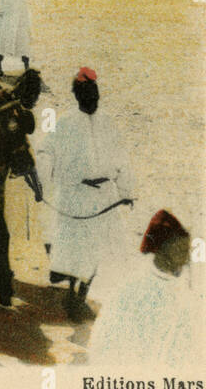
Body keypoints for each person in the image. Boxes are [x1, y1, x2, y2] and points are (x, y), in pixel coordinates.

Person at [35, 67, 135, 321]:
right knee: (75, 250)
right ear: (78, 96)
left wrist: (125, 190)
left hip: (103, 196)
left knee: (96, 248)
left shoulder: (108, 123)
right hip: (75, 196)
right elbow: (46, 151)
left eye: (95, 94)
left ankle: (81, 294)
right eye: (87, 94)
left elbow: (122, 158)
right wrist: (43, 178)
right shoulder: (65, 122)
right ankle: (72, 293)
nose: (93, 99)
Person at [88, 210, 195, 366]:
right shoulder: (134, 287)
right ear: (164, 249)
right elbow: (104, 341)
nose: (187, 259)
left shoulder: (182, 291)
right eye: (182, 250)